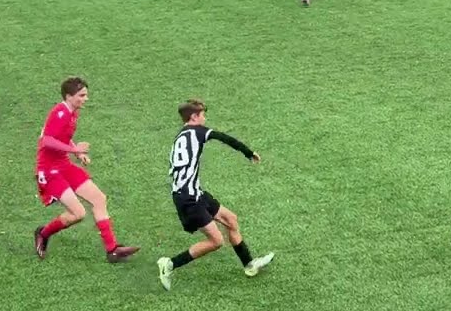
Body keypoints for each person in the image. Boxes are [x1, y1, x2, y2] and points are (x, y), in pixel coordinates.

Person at [157, 100, 273, 291]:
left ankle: (249, 265)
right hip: (188, 198)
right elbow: (225, 138)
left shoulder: (181, 135)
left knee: (231, 220)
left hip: (194, 193)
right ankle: (169, 264)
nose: (205, 118)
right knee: (216, 241)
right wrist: (248, 152)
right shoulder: (199, 131)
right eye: (202, 114)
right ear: (194, 117)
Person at [33, 77, 139, 262]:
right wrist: (75, 149)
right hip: (50, 170)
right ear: (69, 96)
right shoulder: (60, 112)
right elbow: (47, 140)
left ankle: (112, 250)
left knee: (99, 198)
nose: (86, 99)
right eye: (82, 95)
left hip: (63, 164)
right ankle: (43, 233)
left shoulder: (72, 112)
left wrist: (76, 153)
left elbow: (61, 137)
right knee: (78, 214)